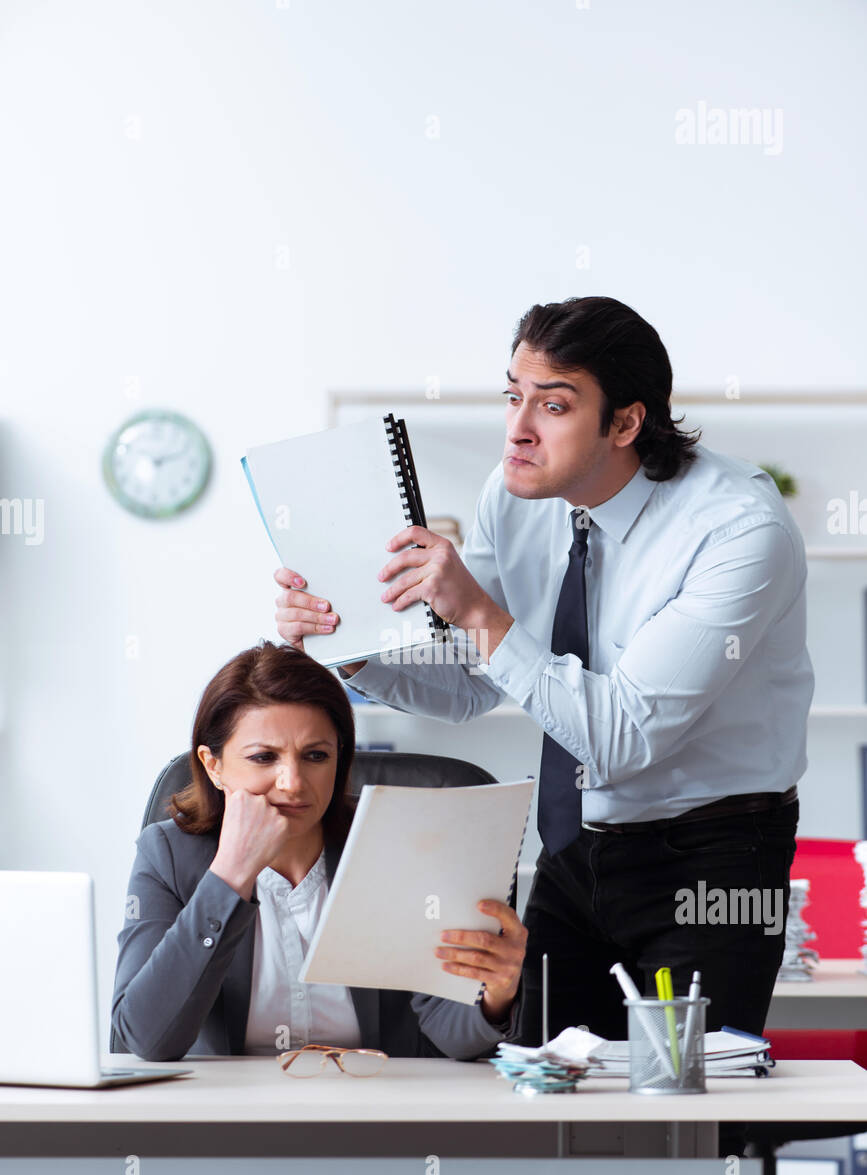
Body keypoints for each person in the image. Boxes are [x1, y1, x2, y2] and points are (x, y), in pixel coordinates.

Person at [274, 294, 814, 1058]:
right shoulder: (516, 496)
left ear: (625, 423)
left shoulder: (736, 530)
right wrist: (353, 650)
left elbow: (622, 738)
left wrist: (482, 615)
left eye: (553, 405)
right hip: (573, 848)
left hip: (713, 856)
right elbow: (471, 684)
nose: (517, 429)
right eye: (512, 395)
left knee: (683, 1101)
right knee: (543, 1080)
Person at [110, 641, 527, 1062]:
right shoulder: (167, 855)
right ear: (213, 765)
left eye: (315, 755)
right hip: (231, 1116)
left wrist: (497, 992)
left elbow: (450, 1036)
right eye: (263, 757)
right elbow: (146, 1038)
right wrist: (231, 876)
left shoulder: (397, 845)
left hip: (382, 1108)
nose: (292, 781)